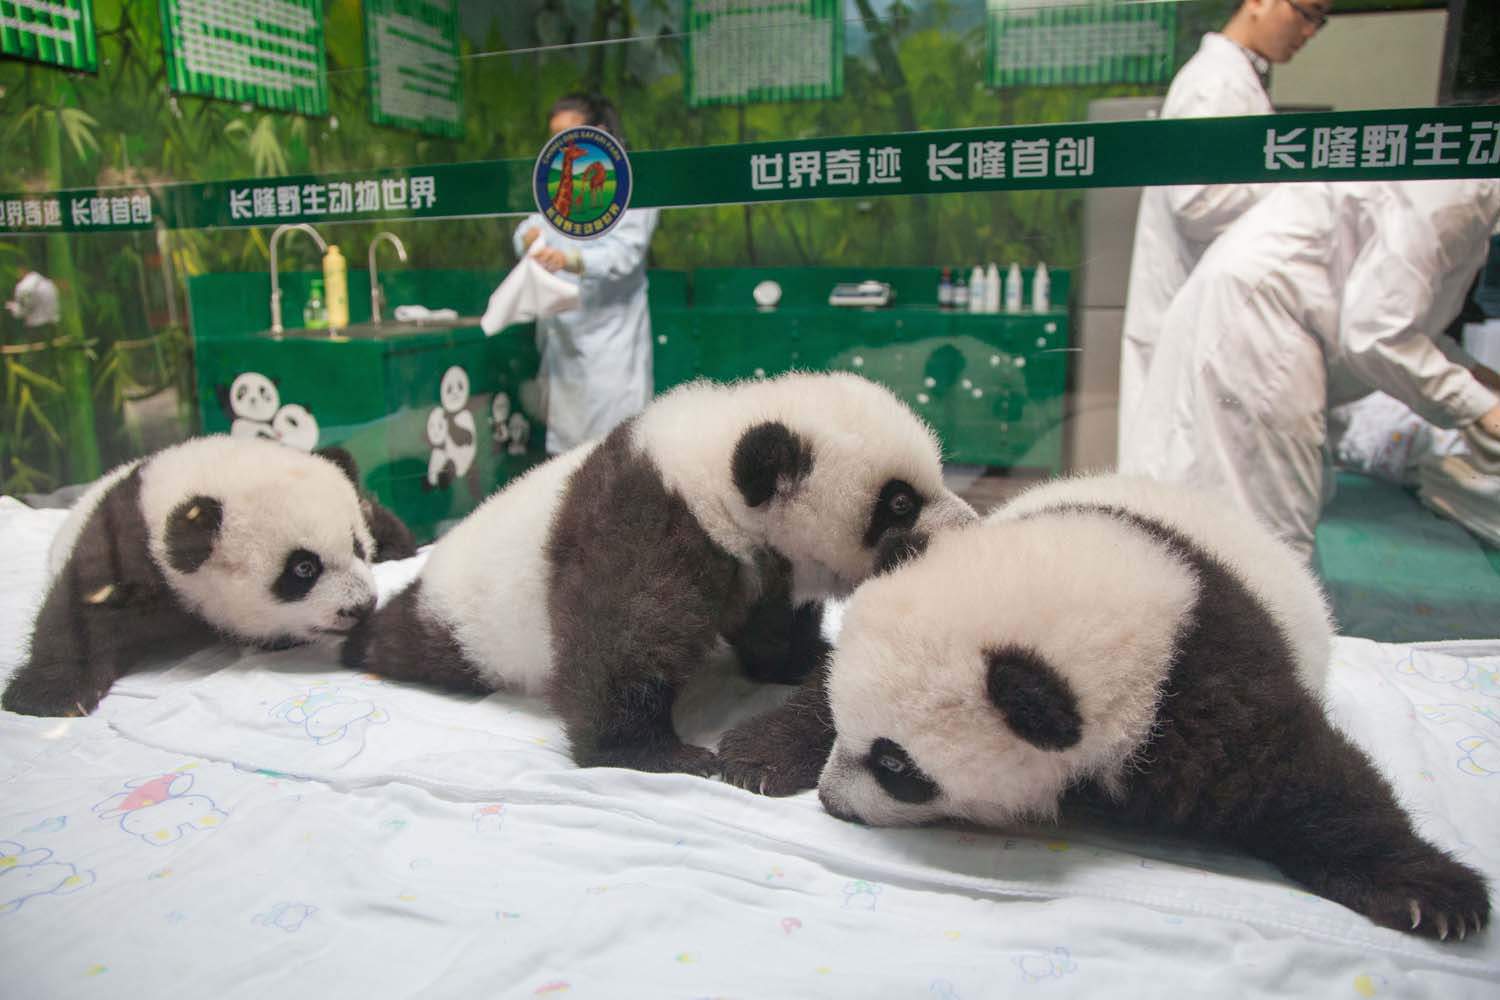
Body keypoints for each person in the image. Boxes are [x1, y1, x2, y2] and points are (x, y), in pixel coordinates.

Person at [1121, 179, 1500, 563]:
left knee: (1222, 528)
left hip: (1257, 317)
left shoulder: (1468, 200)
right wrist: (1479, 406)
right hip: (1263, 329)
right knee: (1267, 542)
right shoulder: (1458, 193)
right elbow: (1377, 333)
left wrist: (1476, 379)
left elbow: (1406, 320)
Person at [1118, 0, 1330, 456]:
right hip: (1187, 316)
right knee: (1173, 479)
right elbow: (1197, 202)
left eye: (1320, 20)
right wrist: (1298, 184)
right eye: (1306, 12)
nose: (1310, 31)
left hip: (1199, 320)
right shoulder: (1218, 82)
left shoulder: (1235, 80)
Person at [511, 93, 660, 455]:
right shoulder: (558, 182)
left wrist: (569, 260)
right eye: (554, 137)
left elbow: (624, 254)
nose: (560, 145)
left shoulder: (631, 184)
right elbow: (528, 229)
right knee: (566, 457)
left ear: (599, 132)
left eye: (570, 133)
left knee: (612, 450)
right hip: (562, 338)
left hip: (610, 340)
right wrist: (527, 238)